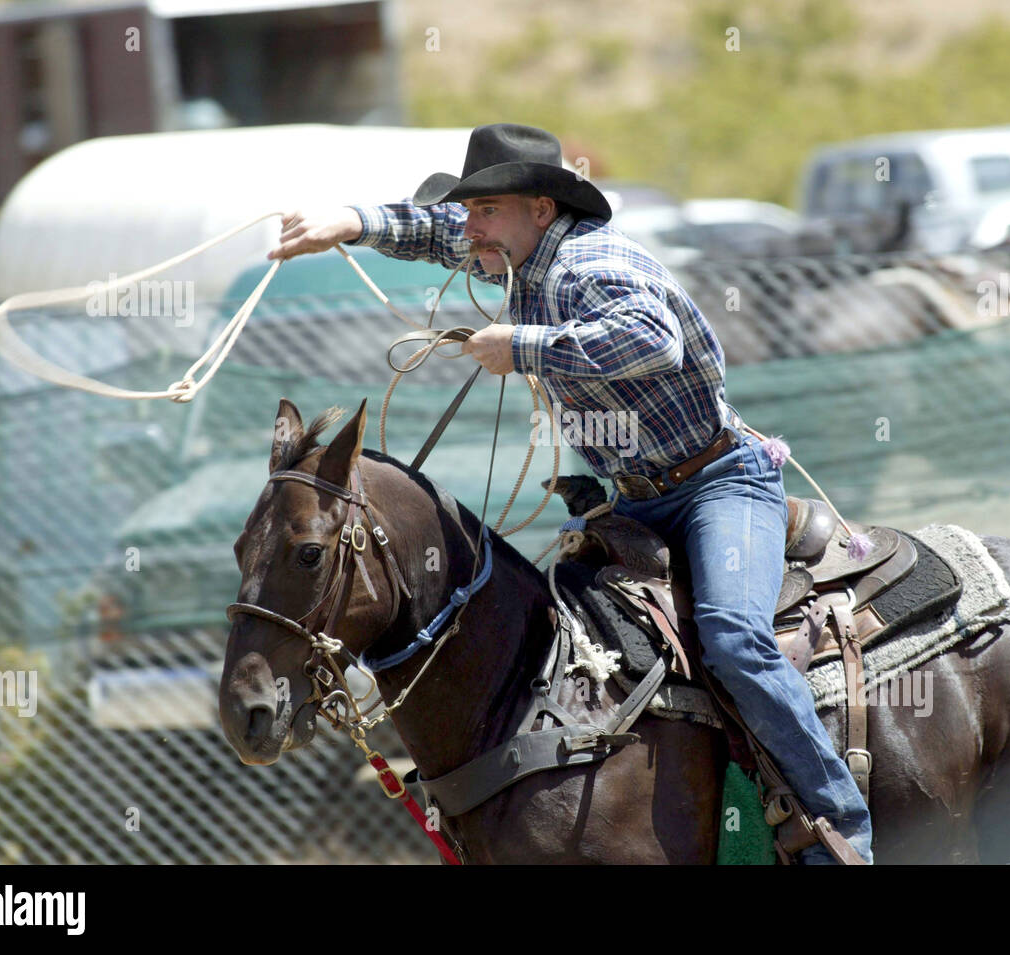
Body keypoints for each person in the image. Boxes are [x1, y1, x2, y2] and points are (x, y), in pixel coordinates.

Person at [268, 123, 872, 864]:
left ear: (541, 211)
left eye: (486, 210)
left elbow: (654, 340)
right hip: (637, 499)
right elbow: (432, 234)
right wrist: (350, 223)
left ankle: (838, 826)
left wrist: (520, 346)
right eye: (471, 212)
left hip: (718, 484)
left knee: (731, 636)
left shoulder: (590, 263)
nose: (471, 228)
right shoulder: (520, 258)